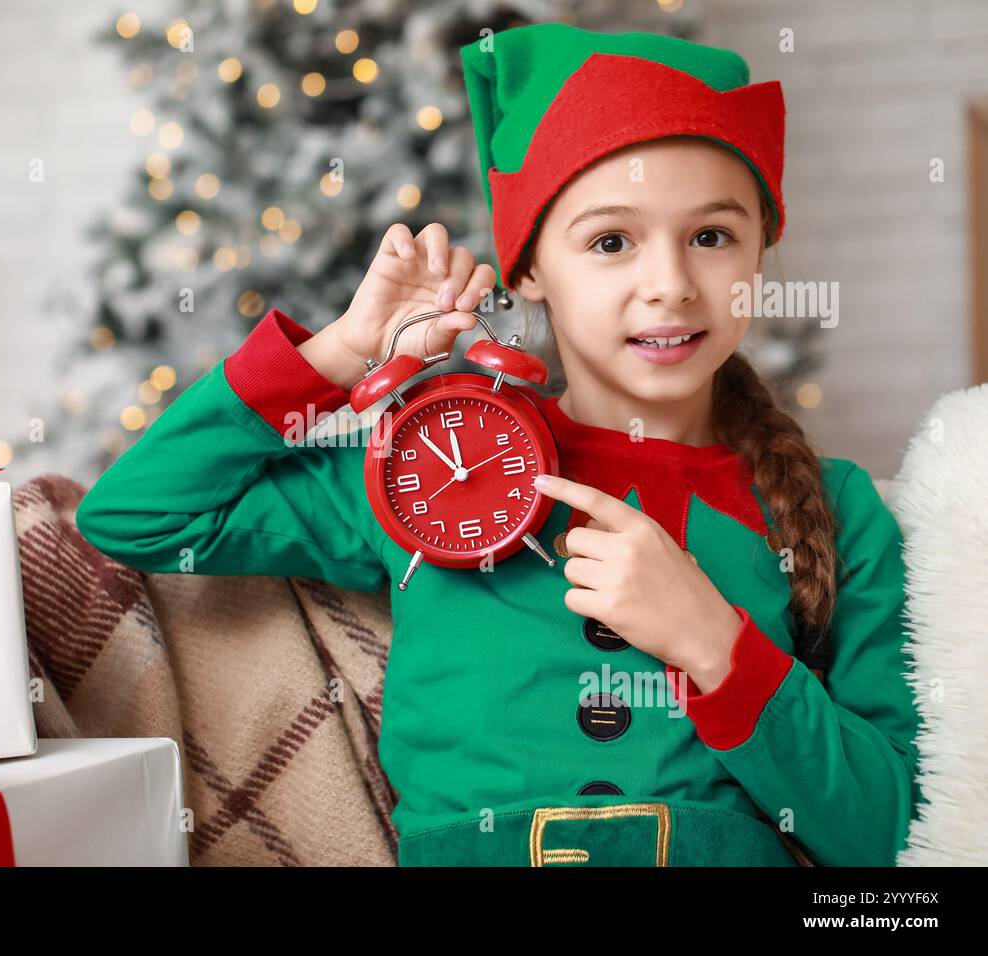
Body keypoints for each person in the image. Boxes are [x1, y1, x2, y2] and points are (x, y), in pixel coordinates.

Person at [76, 22, 921, 866]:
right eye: (611, 242)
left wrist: (714, 642)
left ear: (759, 254)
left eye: (711, 236)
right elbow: (138, 515)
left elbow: (888, 836)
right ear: (528, 270)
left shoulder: (839, 509)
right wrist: (337, 352)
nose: (669, 284)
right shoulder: (430, 457)